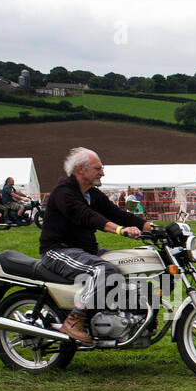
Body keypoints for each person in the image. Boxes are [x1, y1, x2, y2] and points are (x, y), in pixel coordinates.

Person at [38, 147, 152, 344]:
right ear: (81, 169)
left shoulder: (92, 194)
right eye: (98, 168)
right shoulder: (64, 193)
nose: (103, 172)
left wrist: (151, 227)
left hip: (85, 251)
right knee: (102, 269)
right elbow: (87, 216)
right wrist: (119, 230)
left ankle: (123, 314)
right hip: (57, 250)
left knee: (129, 263)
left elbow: (118, 213)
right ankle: (74, 320)